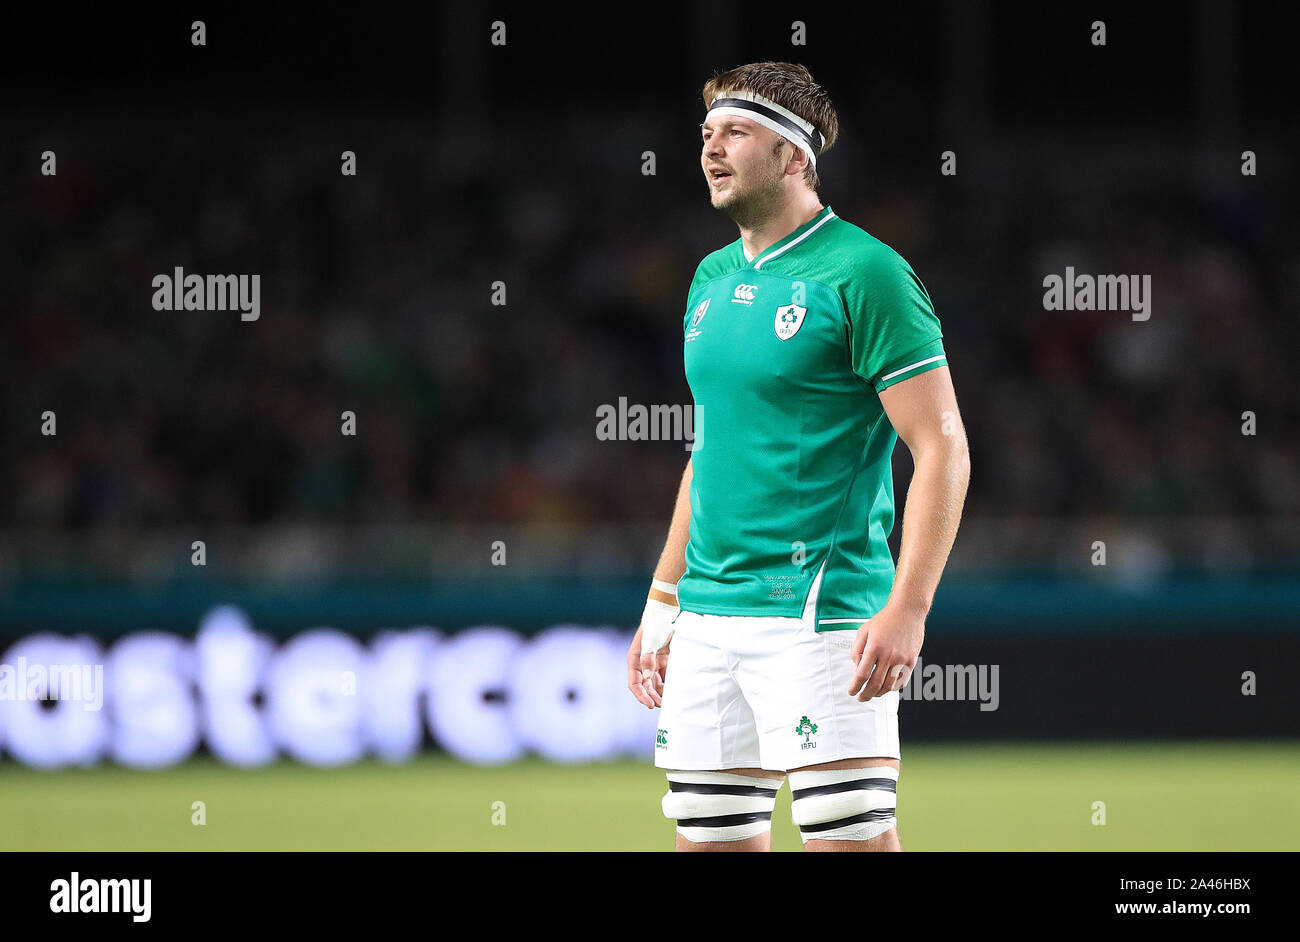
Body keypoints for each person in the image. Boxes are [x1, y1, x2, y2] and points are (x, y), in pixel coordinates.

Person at [626, 61, 971, 852]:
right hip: (710, 618)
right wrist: (662, 602)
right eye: (707, 133)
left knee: (846, 842)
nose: (712, 148)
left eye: (736, 132)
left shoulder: (866, 272)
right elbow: (710, 450)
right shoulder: (711, 277)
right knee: (708, 843)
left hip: (820, 615)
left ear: (795, 158)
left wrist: (909, 608)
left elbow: (941, 447)